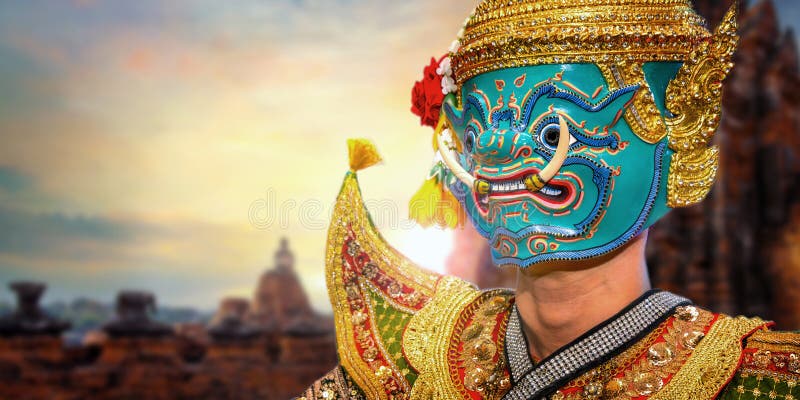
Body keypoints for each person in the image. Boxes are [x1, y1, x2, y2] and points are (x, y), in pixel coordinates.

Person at [298, 1, 800, 399]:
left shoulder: (757, 381)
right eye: (477, 130)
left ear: (678, 133)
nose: (496, 148)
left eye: (551, 128)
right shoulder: (409, 361)